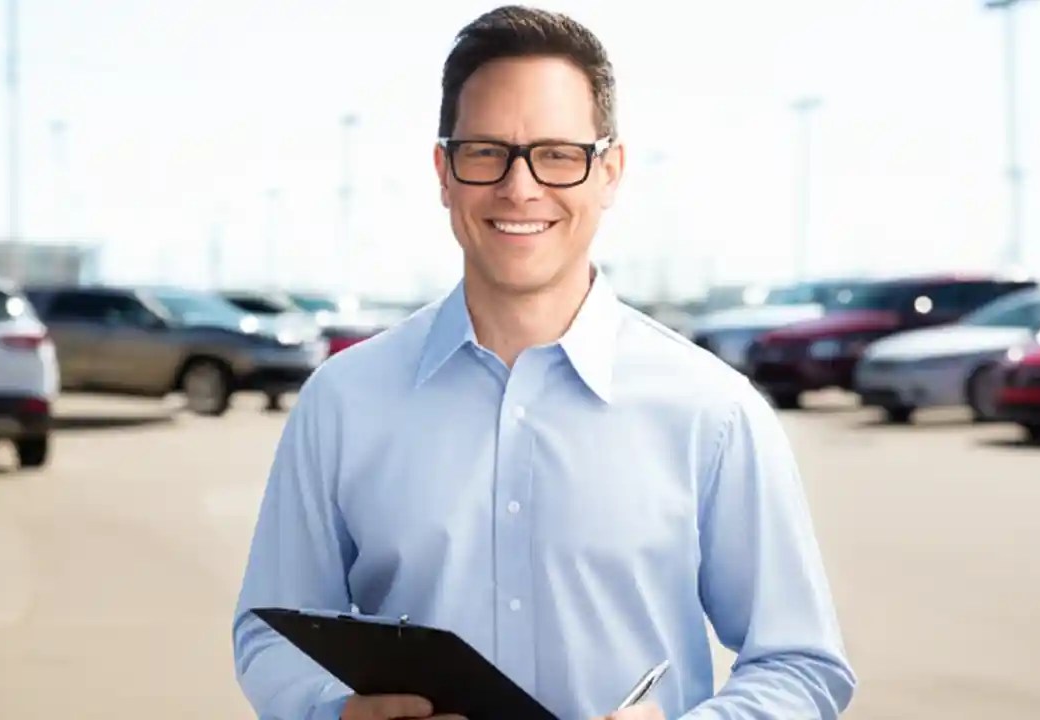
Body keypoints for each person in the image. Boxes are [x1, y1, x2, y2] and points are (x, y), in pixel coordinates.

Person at [233, 5, 857, 719]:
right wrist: (334, 711)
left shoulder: (713, 410)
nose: (520, 187)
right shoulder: (344, 399)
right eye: (485, 152)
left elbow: (800, 663)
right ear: (444, 172)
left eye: (558, 154)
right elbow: (269, 628)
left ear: (610, 172)